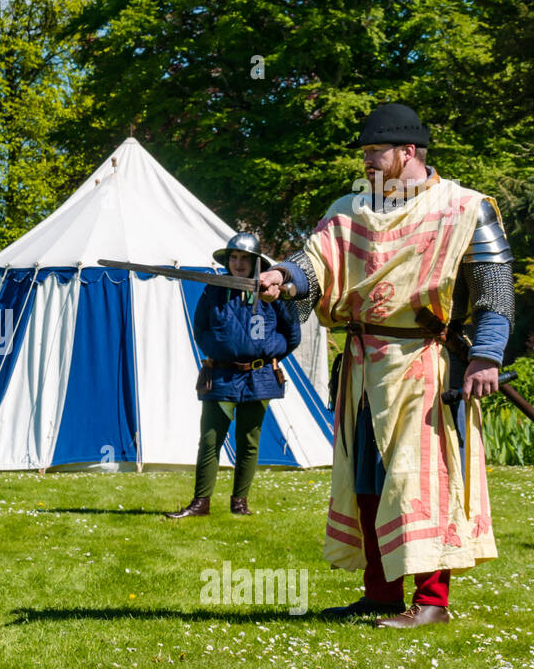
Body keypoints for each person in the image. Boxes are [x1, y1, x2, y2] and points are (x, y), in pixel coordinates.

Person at [258, 103, 513, 629]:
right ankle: (380, 594)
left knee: (420, 480)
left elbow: (495, 294)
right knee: (370, 479)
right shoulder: (349, 210)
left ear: (409, 152)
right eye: (367, 151)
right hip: (362, 365)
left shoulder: (464, 208)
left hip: (425, 362)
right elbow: (315, 263)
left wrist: (485, 356)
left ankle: (433, 601)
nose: (368, 160)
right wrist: (283, 277)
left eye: (376, 151)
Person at [166, 233, 301, 519]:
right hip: (222, 374)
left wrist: (265, 352)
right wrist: (221, 347)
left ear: (255, 262)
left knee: (249, 441)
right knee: (211, 439)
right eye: (234, 257)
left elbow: (292, 336)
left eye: (244, 258)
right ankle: (201, 502)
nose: (238, 263)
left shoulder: (272, 293)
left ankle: (240, 503)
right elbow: (200, 328)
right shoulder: (214, 290)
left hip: (259, 376)